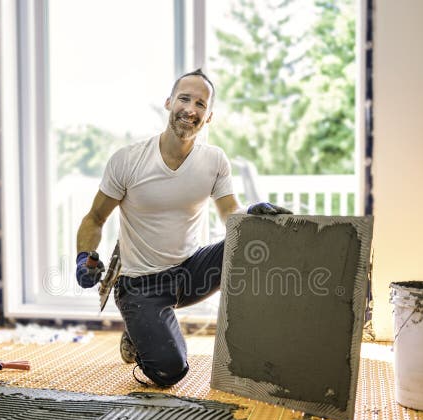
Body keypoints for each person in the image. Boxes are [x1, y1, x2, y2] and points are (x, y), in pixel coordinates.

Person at [75, 68, 291, 387]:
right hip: (140, 283)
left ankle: (253, 347)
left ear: (209, 116)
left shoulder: (214, 160)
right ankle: (140, 328)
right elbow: (94, 218)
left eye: (200, 104)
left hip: (190, 273)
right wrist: (83, 258)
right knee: (170, 371)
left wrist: (252, 213)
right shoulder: (128, 160)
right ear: (169, 102)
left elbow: (230, 214)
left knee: (249, 242)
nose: (191, 109)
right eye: (184, 99)